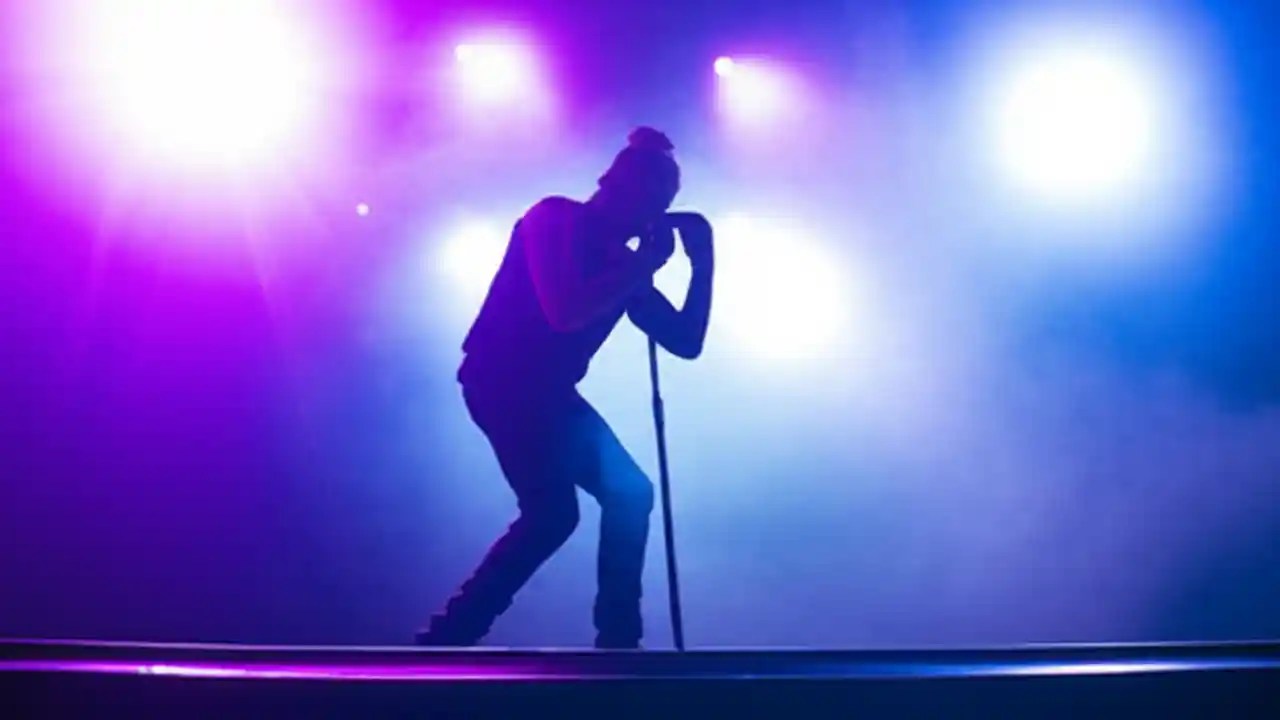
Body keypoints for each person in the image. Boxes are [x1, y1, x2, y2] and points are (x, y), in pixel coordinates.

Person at [415, 127, 714, 650]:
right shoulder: (553, 218)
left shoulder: (626, 267)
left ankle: (616, 639)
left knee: (624, 494)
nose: (650, 212)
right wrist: (644, 265)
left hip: (550, 395)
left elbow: (686, 342)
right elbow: (565, 311)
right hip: (500, 381)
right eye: (648, 198)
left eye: (661, 203)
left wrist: (703, 265)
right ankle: (452, 634)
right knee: (554, 513)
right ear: (612, 183)